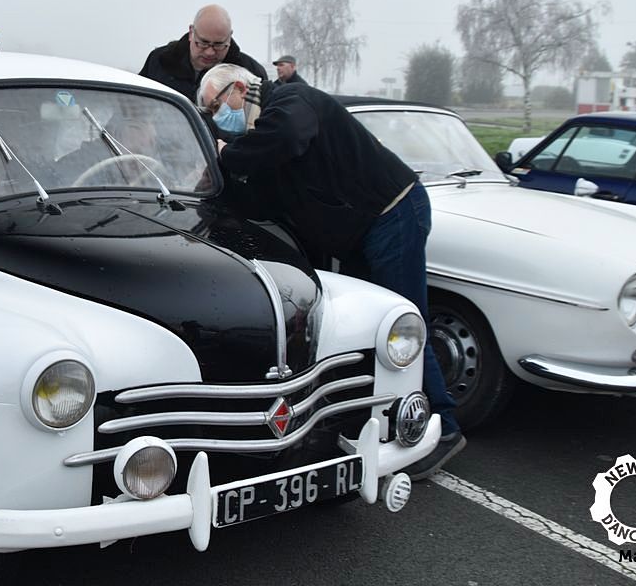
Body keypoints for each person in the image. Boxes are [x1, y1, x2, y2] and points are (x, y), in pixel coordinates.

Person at [199, 63, 465, 479]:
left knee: (401, 324)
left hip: (391, 214)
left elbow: (285, 137)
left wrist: (226, 153)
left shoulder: (290, 100)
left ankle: (444, 428)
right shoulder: (264, 131)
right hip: (364, 228)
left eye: (216, 105)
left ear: (238, 89)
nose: (217, 115)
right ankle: (383, 419)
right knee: (369, 327)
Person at [138, 4, 268, 102]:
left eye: (218, 45)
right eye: (203, 43)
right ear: (191, 33)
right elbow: (135, 105)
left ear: (229, 37)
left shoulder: (249, 72)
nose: (210, 52)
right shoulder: (160, 61)